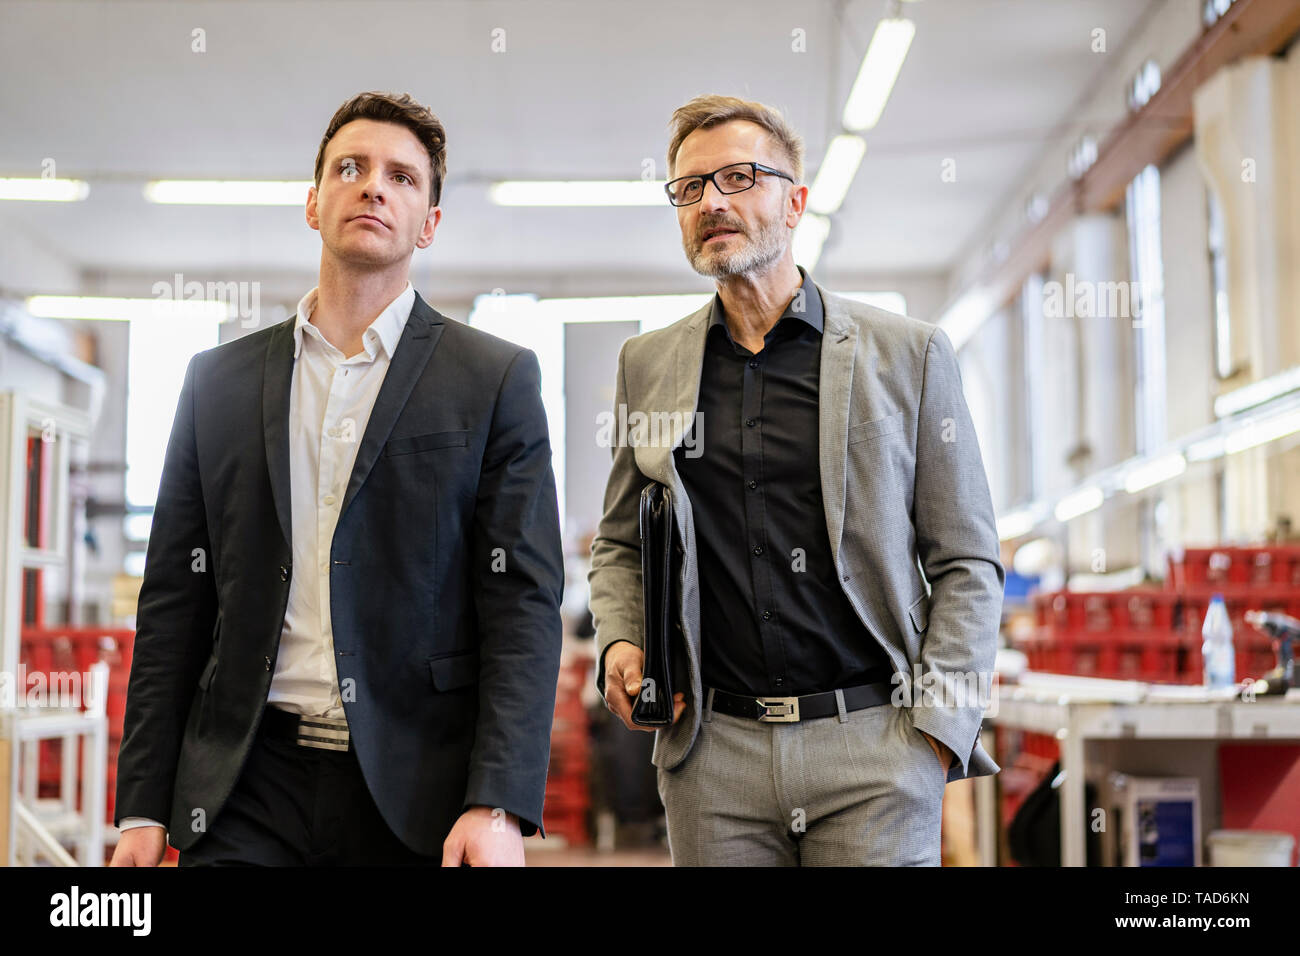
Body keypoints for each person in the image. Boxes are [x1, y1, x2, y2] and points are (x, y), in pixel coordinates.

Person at [110, 91, 564, 867]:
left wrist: (497, 802)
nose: (373, 186)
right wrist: (143, 807)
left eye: (402, 176)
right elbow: (172, 606)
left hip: (414, 788)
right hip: (245, 784)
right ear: (313, 203)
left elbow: (522, 604)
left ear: (429, 223)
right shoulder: (216, 382)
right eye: (350, 168)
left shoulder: (493, 379)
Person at [588, 94, 1004, 866]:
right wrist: (619, 641)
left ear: (796, 200)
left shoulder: (907, 355)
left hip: (875, 751)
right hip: (715, 762)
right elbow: (618, 541)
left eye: (740, 177)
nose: (712, 201)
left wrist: (936, 738)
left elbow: (967, 559)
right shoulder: (648, 368)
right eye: (690, 188)